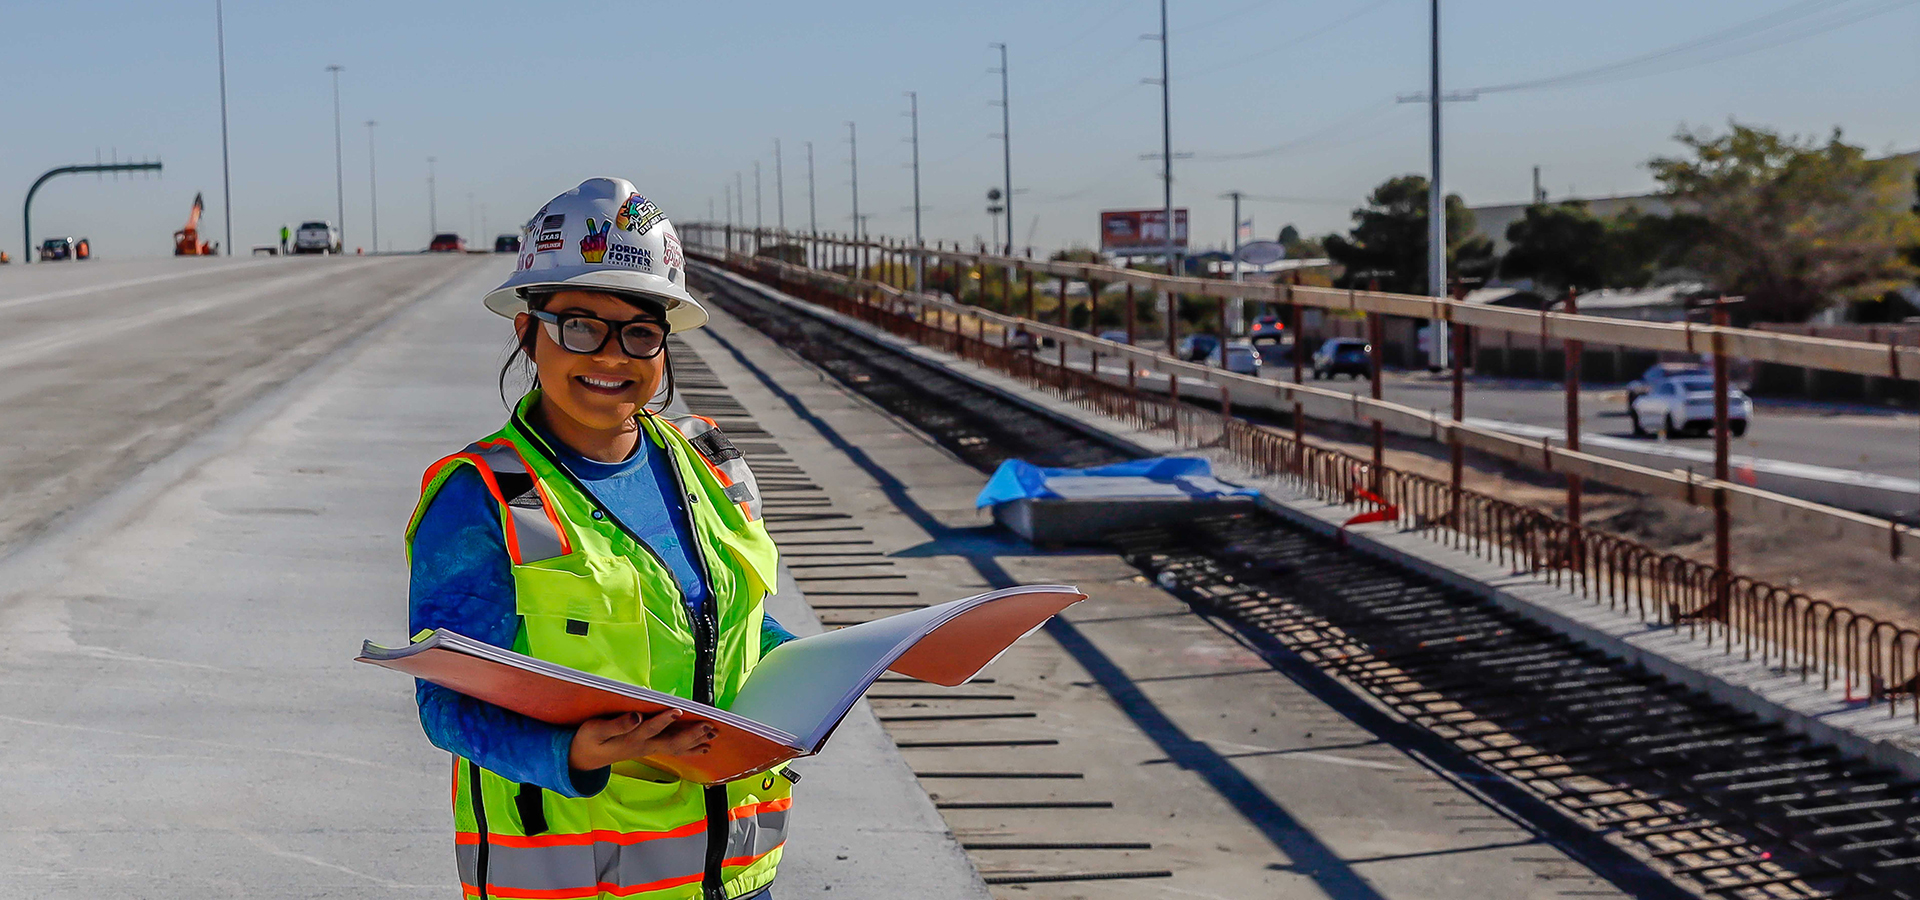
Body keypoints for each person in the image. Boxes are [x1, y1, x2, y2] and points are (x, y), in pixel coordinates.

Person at [407, 177, 794, 900]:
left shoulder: (709, 463)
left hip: (738, 876)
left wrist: (817, 676)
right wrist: (572, 752)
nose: (611, 356)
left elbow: (736, 623)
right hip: (574, 884)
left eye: (639, 331)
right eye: (579, 326)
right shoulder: (480, 497)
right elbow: (447, 704)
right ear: (529, 331)